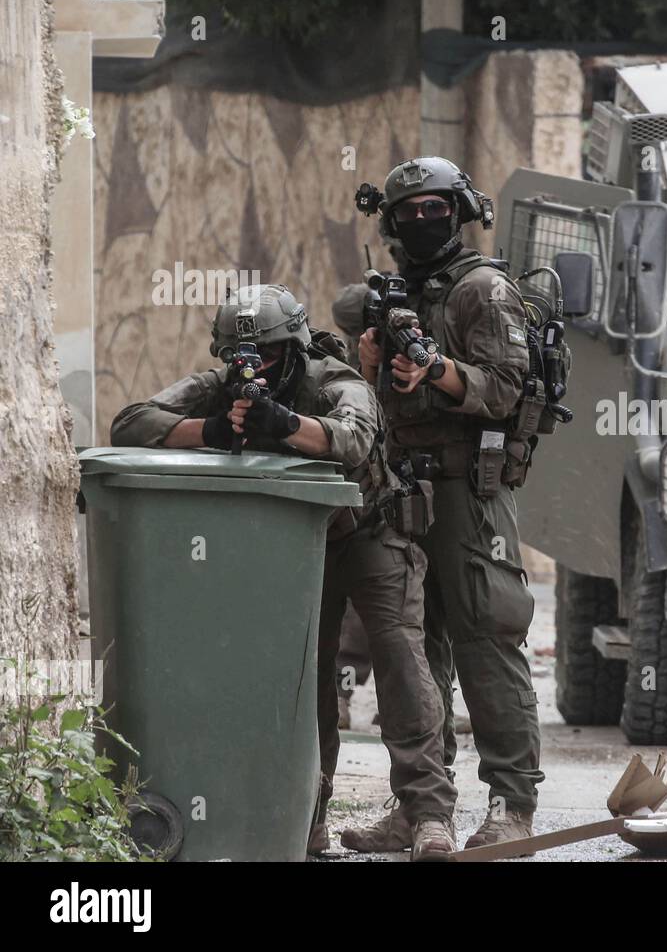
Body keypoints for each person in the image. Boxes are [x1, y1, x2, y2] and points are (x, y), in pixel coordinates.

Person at [109, 283, 458, 861]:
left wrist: (285, 422)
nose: (256, 369)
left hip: (370, 531)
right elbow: (131, 422)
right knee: (303, 678)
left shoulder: (330, 378)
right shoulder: (221, 387)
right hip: (295, 543)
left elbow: (353, 437)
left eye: (268, 357)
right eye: (244, 359)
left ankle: (428, 814)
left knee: (399, 658)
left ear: (293, 347)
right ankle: (307, 815)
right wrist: (214, 430)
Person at [350, 157, 543, 850]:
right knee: (412, 654)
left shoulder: (483, 291)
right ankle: (422, 807)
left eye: (437, 208)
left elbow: (507, 388)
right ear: (392, 222)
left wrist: (440, 369)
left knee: (487, 641)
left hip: (469, 490)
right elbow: (369, 405)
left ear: (460, 211)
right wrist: (373, 362)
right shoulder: (399, 293)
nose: (423, 221)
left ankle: (512, 804)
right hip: (402, 489)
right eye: (410, 211)